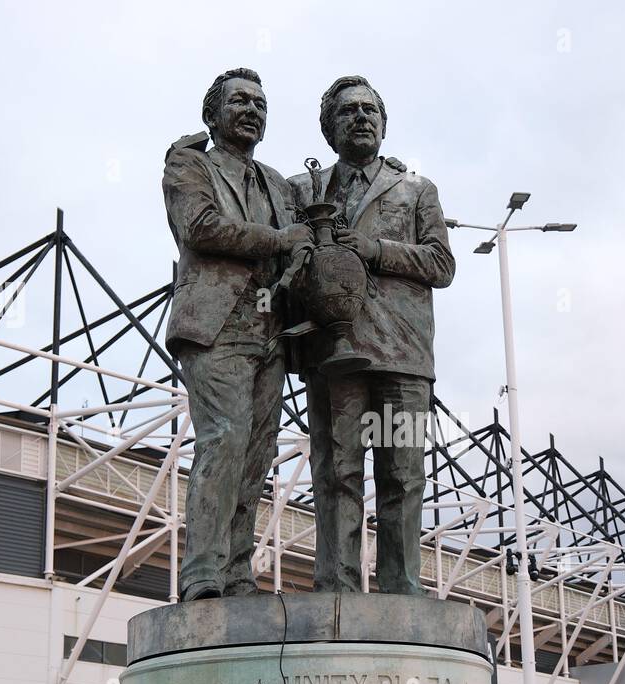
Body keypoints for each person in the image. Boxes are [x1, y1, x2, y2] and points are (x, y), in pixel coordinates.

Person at [287, 75, 455, 595]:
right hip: (334, 353)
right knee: (336, 475)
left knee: (402, 478)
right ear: (329, 130)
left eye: (369, 111)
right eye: (347, 112)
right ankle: (335, 587)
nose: (360, 118)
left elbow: (442, 264)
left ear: (383, 124)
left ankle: (401, 587)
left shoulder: (416, 189)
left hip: (402, 354)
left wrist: (373, 248)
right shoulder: (304, 189)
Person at [162, 67, 311, 600]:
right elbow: (200, 227)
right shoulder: (188, 163)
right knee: (223, 439)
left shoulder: (276, 182)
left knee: (257, 452)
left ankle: (238, 573)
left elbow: (308, 229)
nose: (252, 111)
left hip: (271, 330)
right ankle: (203, 571)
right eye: (240, 101)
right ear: (213, 114)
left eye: (260, 106)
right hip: (216, 325)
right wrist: (279, 239)